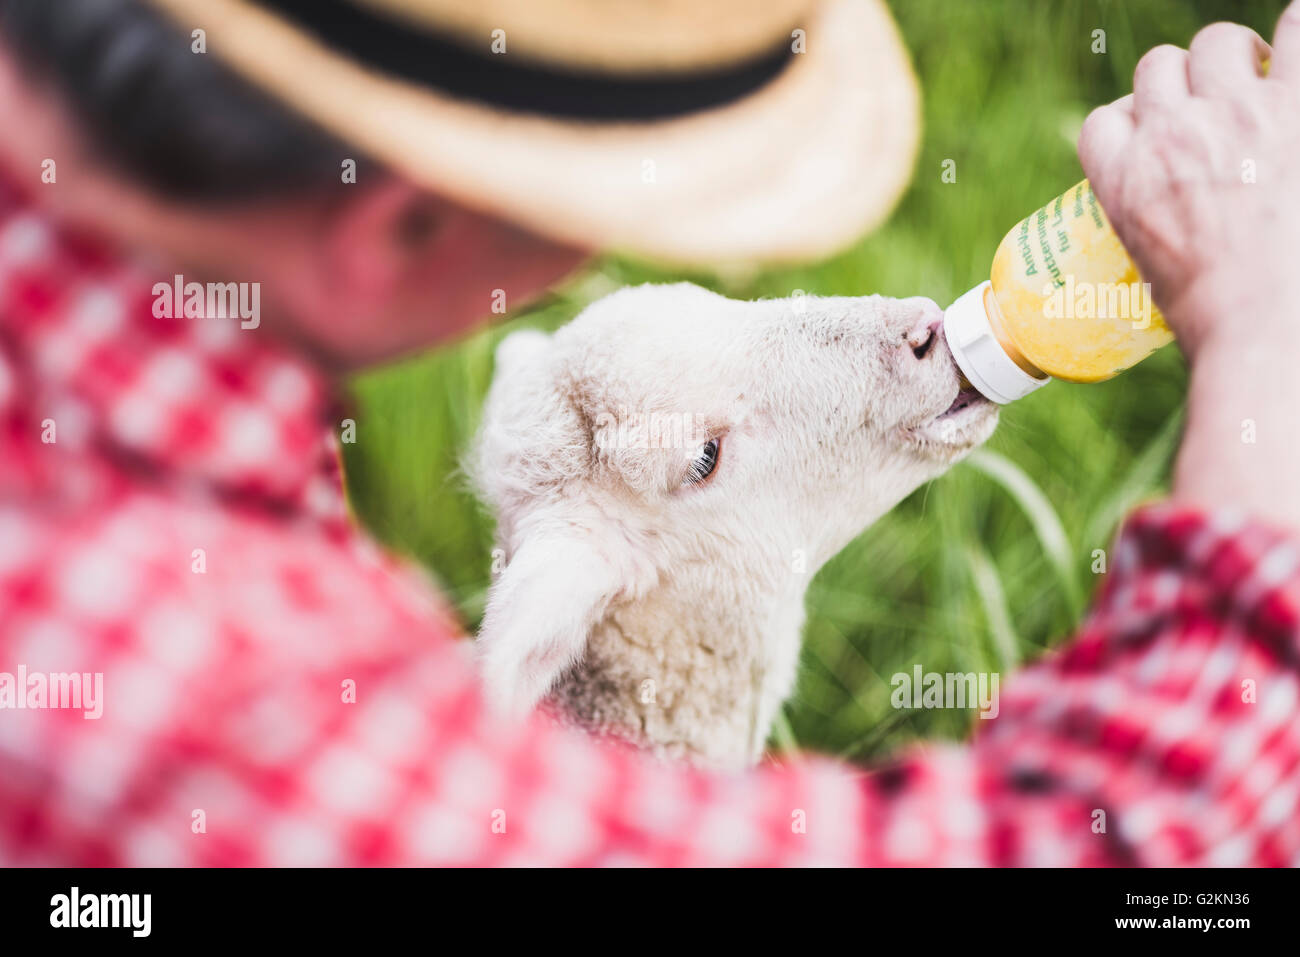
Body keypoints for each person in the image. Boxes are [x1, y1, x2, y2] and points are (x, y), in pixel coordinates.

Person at [0, 0, 1296, 866]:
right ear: (389, 231)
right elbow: (1144, 842)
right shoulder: (213, 701)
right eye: (572, 219)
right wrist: (1261, 317)